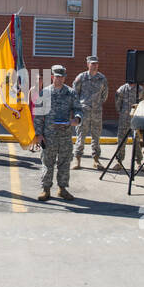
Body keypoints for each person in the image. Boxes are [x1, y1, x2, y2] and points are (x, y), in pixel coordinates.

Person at [33, 65, 82, 201]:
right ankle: (46, 189)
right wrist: (39, 134)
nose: (59, 79)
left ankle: (62, 189)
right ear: (52, 77)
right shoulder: (45, 93)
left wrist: (77, 119)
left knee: (65, 163)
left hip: (65, 134)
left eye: (62, 77)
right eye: (57, 76)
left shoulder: (71, 93)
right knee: (47, 162)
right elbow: (38, 115)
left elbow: (78, 108)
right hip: (49, 135)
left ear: (65, 77)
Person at [72, 55, 109, 170]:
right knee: (80, 137)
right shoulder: (81, 77)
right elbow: (75, 93)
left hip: (97, 113)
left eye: (96, 63)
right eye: (92, 63)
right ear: (88, 64)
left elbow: (104, 95)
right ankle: (77, 161)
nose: (94, 65)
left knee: (96, 138)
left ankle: (96, 161)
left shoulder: (102, 78)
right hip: (83, 112)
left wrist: (96, 105)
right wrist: (80, 107)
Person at [112, 79, 144, 170]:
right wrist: (122, 113)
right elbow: (117, 103)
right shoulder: (122, 89)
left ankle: (139, 163)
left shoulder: (141, 90)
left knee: (137, 141)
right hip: (124, 120)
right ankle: (119, 162)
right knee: (121, 141)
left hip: (136, 119)